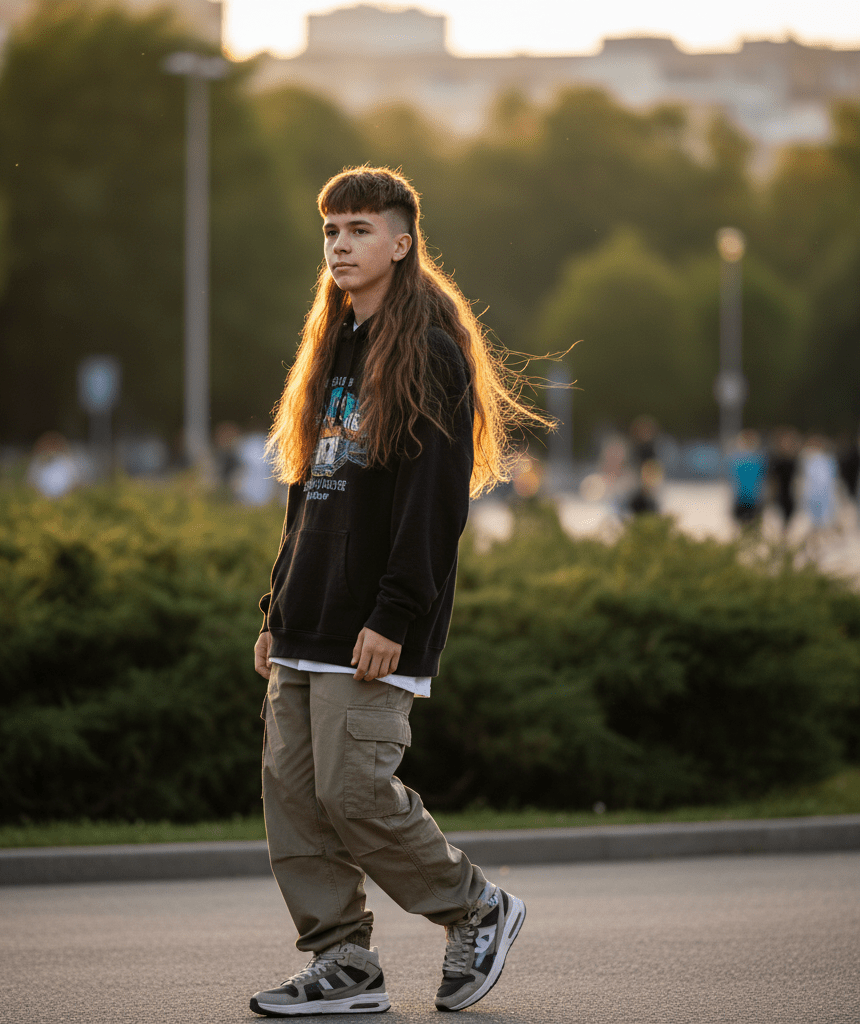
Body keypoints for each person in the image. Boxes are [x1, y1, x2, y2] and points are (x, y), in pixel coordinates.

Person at [251, 167, 542, 1016]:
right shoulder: (331, 347)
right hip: (308, 620)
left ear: (402, 243)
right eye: (331, 232)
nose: (340, 246)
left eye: (359, 230)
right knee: (295, 801)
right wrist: (276, 609)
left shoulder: (429, 355)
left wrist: (394, 615)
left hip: (374, 627)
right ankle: (343, 963)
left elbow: (433, 506)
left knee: (353, 792)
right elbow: (308, 493)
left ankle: (478, 909)